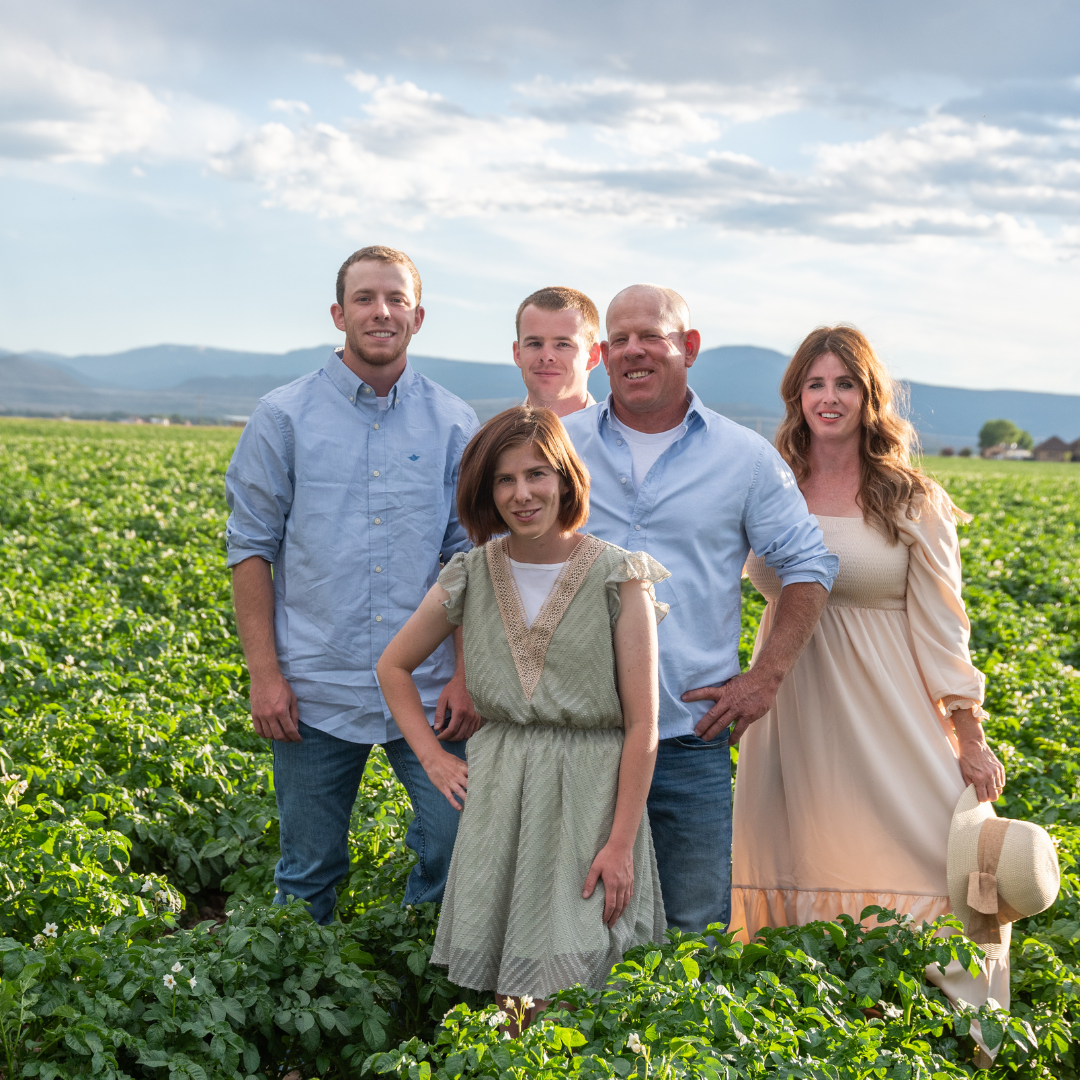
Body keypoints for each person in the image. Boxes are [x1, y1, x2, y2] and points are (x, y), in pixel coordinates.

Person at [560, 285, 839, 934]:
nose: (634, 350)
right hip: (573, 736)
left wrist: (764, 677)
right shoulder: (558, 447)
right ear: (601, 355)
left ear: (687, 347)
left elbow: (809, 564)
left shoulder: (741, 457)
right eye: (620, 338)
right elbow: (498, 562)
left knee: (693, 930)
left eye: (651, 336)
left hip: (688, 737)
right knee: (565, 931)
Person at [377, 406, 668, 1022]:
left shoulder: (620, 575)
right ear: (486, 493)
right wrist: (432, 759)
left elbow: (644, 724)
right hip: (501, 785)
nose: (522, 493)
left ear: (566, 478)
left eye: (537, 474)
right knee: (511, 992)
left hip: (591, 794)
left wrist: (619, 843)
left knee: (585, 973)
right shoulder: (471, 573)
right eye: (503, 481)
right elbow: (393, 667)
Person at [224, 245, 481, 925]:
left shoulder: (455, 421)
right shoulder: (283, 415)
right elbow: (251, 549)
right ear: (339, 313)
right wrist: (264, 674)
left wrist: (467, 674)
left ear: (418, 317)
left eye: (396, 299)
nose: (381, 311)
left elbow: (470, 558)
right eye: (365, 298)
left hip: (429, 690)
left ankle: (420, 985)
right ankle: (304, 1006)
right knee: (308, 871)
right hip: (314, 683)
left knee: (455, 846)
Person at [730, 325, 1006, 943]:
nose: (829, 397)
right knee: (797, 859)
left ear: (869, 395)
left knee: (933, 855)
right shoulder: (771, 490)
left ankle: (946, 1023)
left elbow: (943, 624)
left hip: (888, 709)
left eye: (845, 383)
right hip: (791, 710)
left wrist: (968, 735)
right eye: (815, 384)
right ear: (797, 397)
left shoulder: (911, 499)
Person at [513, 287, 602, 417]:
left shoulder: (620, 436)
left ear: (592, 356)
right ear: (517, 354)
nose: (546, 356)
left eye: (563, 344)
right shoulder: (491, 437)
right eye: (535, 343)